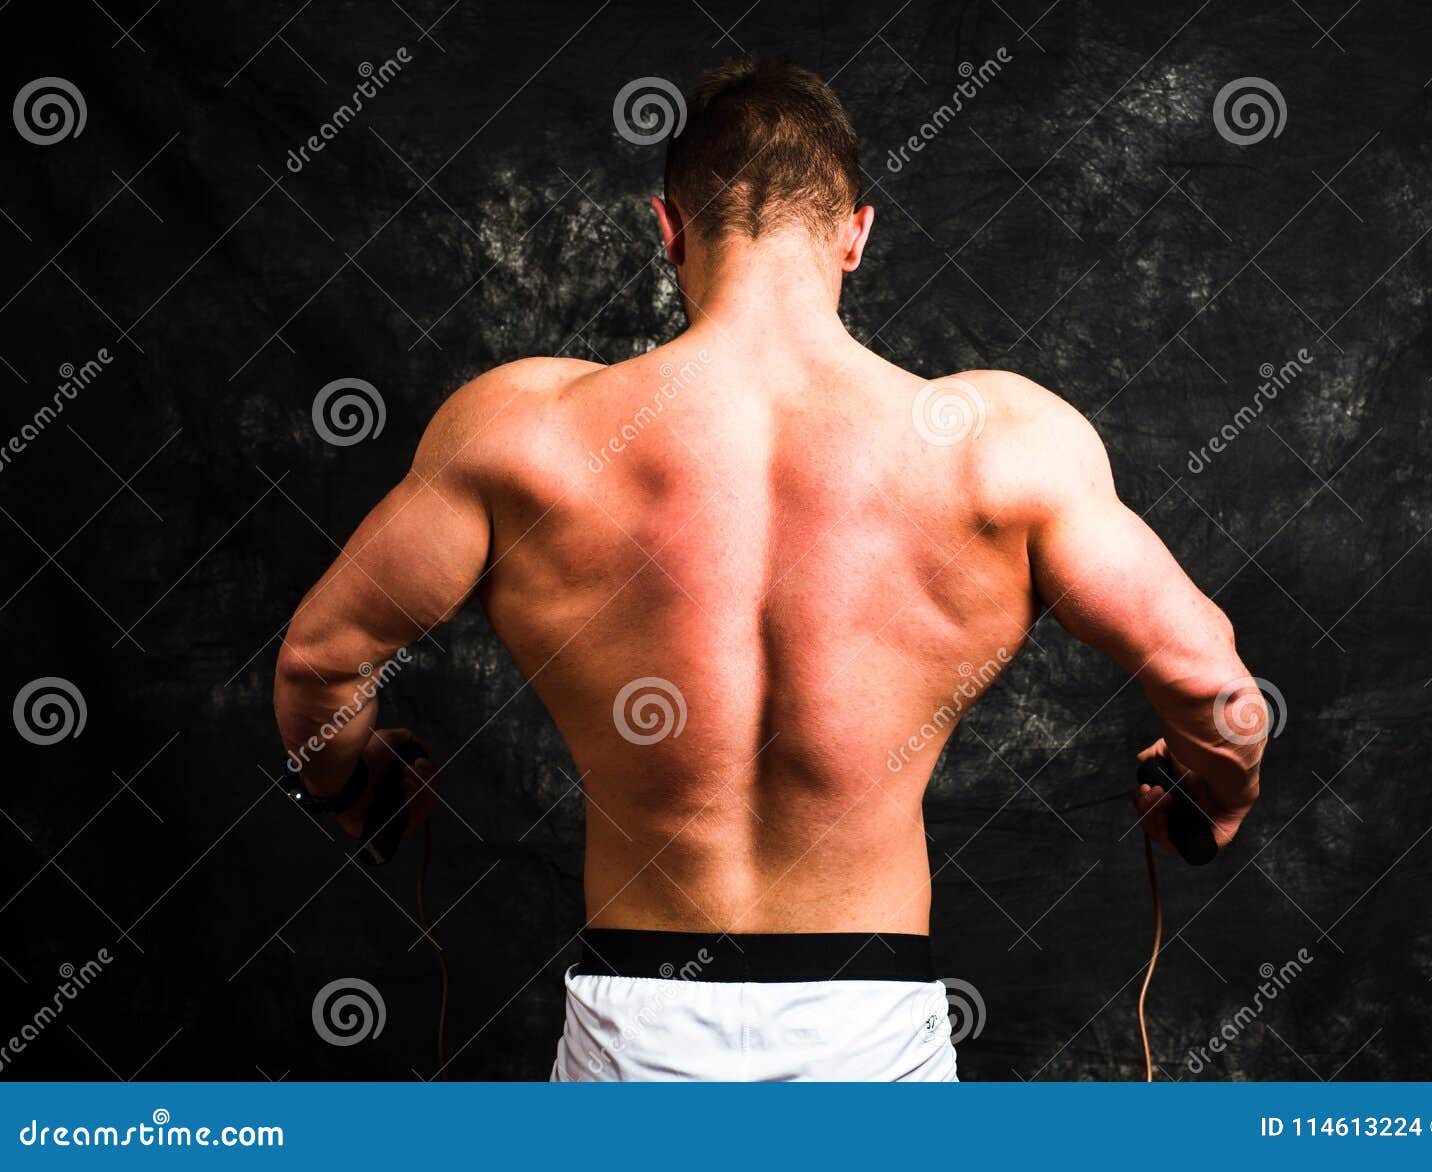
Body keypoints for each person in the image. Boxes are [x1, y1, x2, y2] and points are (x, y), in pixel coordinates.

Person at [272, 58, 1264, 1081]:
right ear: (855, 234)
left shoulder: (526, 432)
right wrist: (1205, 800)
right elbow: (1222, 698)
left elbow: (317, 662)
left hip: (635, 1028)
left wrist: (353, 784)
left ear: (668, 231)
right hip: (871, 1032)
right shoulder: (997, 444)